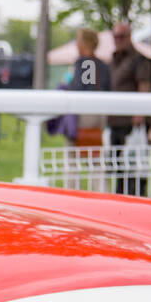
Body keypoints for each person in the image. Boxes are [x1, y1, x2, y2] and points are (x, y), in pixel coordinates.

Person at [108, 21, 151, 195]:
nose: (118, 40)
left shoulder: (138, 59)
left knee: (134, 168)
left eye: (122, 36)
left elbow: (144, 85)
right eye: (115, 36)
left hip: (132, 124)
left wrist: (139, 113)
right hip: (115, 122)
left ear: (129, 36)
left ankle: (138, 198)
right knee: (119, 168)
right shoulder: (113, 59)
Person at [63, 28, 110, 189]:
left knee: (73, 158)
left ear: (86, 43)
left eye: (78, 40)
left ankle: (72, 191)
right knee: (95, 158)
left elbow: (81, 89)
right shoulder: (102, 65)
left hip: (84, 118)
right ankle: (100, 191)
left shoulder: (85, 63)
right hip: (99, 117)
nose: (76, 44)